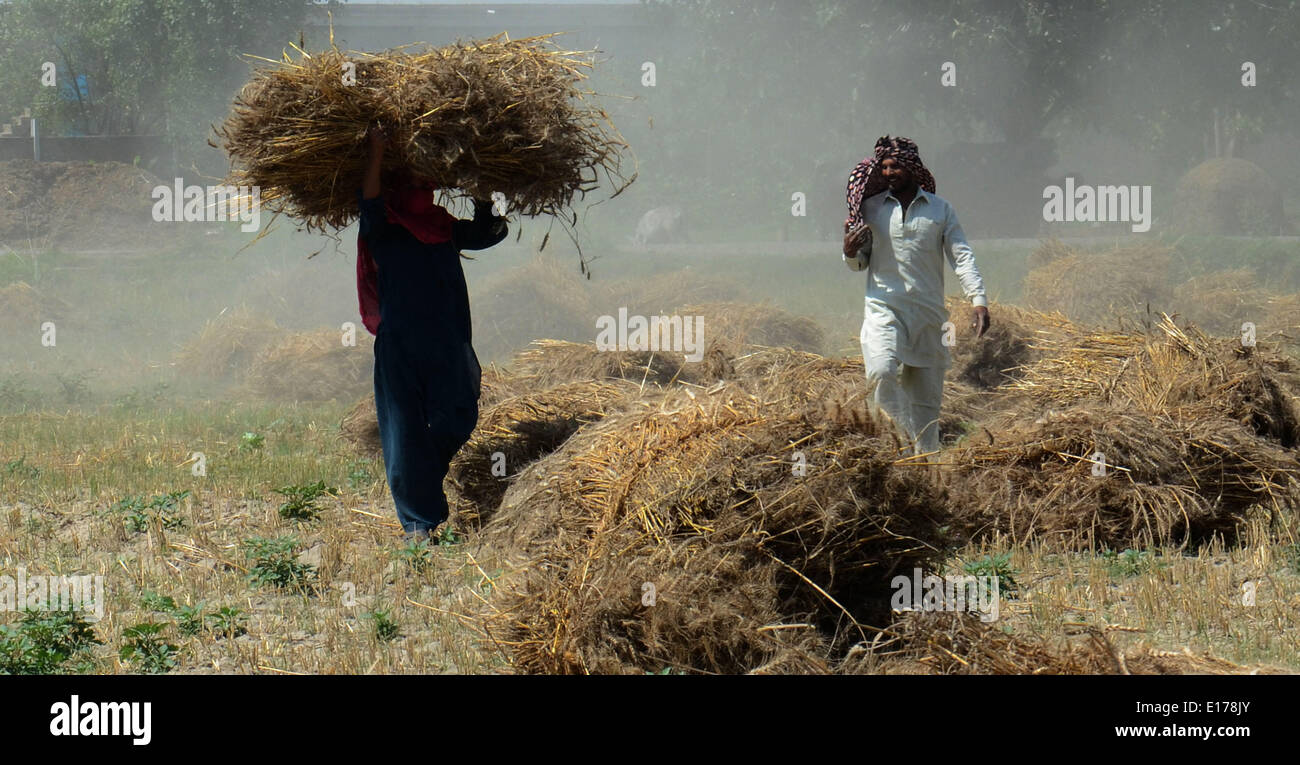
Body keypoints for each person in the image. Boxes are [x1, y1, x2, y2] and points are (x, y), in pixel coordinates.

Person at [357, 125, 509, 542]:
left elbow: (490, 232)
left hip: (446, 343)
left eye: (428, 186)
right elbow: (367, 199)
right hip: (401, 346)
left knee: (459, 415)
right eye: (415, 186)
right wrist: (376, 150)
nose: (424, 193)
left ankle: (423, 485)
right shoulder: (383, 227)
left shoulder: (443, 228)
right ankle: (418, 525)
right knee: (403, 431)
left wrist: (482, 186)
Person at [841, 135, 990, 455]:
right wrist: (849, 252)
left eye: (895, 166)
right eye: (884, 167)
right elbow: (859, 263)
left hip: (928, 318)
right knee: (880, 373)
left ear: (912, 167)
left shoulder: (940, 210)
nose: (889, 173)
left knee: (925, 410)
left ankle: (928, 476)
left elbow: (961, 256)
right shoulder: (871, 209)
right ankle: (896, 451)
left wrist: (978, 300)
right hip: (884, 308)